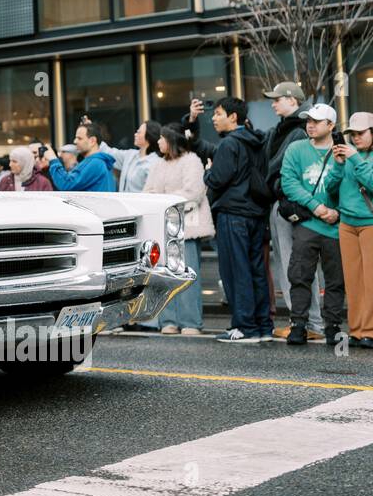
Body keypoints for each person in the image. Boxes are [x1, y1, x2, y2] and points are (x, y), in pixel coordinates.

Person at [204, 96, 272, 343]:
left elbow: (217, 180)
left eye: (219, 113)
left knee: (236, 271)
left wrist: (207, 172)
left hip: (233, 214)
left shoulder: (229, 144)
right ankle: (263, 326)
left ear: (233, 117)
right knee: (256, 270)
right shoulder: (257, 142)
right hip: (255, 213)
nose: (214, 117)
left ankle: (245, 327)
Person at [323, 111, 373, 349]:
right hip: (347, 224)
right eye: (352, 134)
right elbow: (330, 189)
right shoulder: (349, 158)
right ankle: (358, 329)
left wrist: (354, 159)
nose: (356, 138)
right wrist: (338, 164)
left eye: (360, 133)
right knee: (353, 281)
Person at [277, 104, 346, 346]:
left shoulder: (344, 152)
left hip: (337, 225)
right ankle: (298, 325)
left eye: (317, 121)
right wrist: (317, 207)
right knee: (299, 275)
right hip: (308, 223)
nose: (310, 124)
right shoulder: (296, 149)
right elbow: (289, 182)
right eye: (308, 120)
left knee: (336, 279)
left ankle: (333, 326)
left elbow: (349, 186)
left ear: (331, 125)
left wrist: (337, 211)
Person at [261, 81, 321, 340]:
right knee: (296, 264)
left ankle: (307, 323)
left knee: (293, 264)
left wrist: (269, 183)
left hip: (290, 204)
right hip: (288, 203)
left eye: (277, 99)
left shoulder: (296, 130)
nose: (273, 103)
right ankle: (307, 321)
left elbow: (276, 167)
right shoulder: (283, 129)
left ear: (292, 100)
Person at [142, 125, 212, 334]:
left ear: (172, 140)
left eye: (162, 138)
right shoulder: (158, 164)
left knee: (187, 274)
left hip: (187, 225)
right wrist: (167, 199)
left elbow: (194, 192)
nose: (159, 142)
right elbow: (148, 191)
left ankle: (190, 322)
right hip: (162, 226)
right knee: (165, 275)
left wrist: (163, 200)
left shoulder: (191, 160)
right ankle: (168, 320)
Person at [89, 117, 162, 192]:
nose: (135, 134)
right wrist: (91, 131)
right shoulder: (130, 155)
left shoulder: (156, 163)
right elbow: (108, 152)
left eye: (139, 132)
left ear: (148, 137)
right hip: (124, 202)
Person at [47, 124, 116, 191]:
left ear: (92, 141)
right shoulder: (96, 162)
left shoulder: (96, 163)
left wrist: (53, 159)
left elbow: (66, 184)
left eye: (79, 138)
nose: (75, 141)